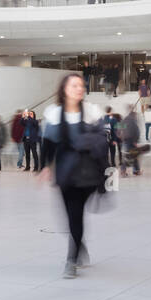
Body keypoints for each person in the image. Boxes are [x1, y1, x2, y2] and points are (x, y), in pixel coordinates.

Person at [40, 74, 107, 278]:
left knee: (75, 215)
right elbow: (48, 144)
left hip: (88, 173)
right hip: (65, 172)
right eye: (74, 85)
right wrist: (44, 166)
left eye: (82, 85)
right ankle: (78, 244)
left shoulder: (92, 112)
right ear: (64, 89)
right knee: (69, 218)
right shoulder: (53, 113)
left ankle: (72, 259)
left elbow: (103, 141)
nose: (80, 88)